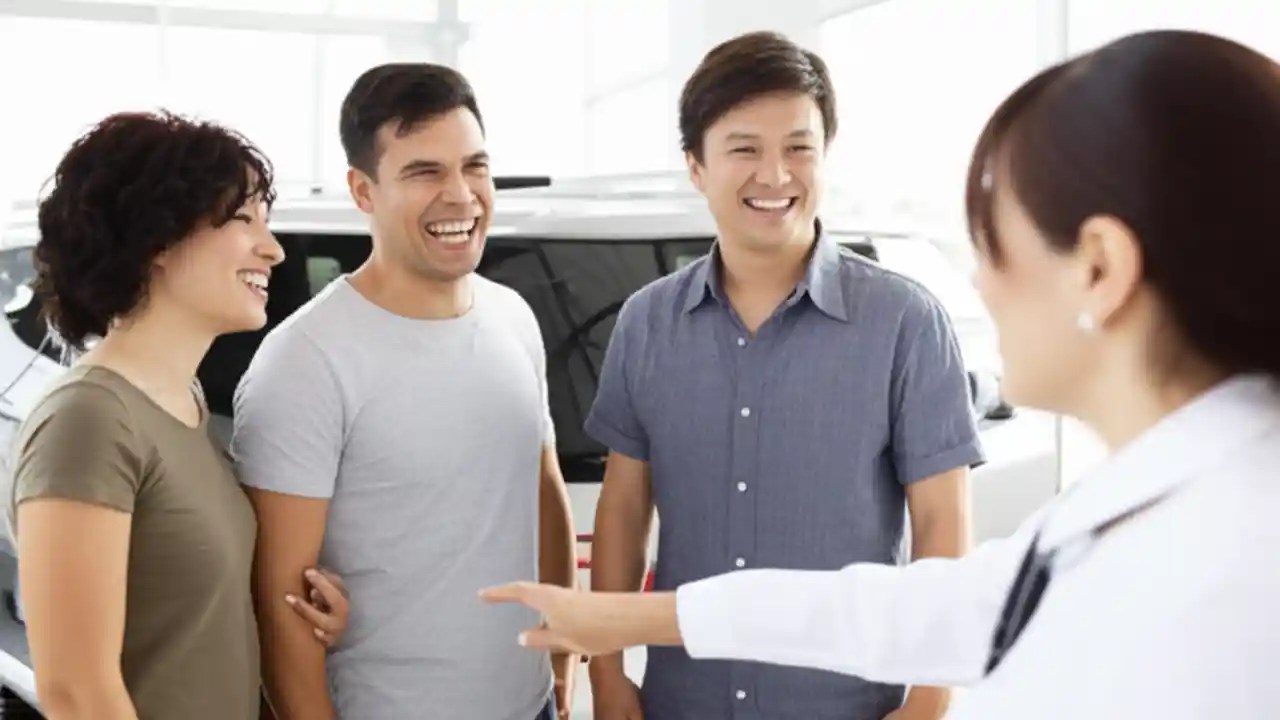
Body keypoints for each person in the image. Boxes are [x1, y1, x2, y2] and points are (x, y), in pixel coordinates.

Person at [483, 28, 1280, 719]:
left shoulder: (1227, 557)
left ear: (1101, 265)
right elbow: (883, 609)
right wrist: (616, 639)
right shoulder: (1127, 522)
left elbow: (921, 582)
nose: (981, 282)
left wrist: (923, 700)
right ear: (697, 165)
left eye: (994, 238)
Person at [581, 31, 982, 720]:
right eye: (744, 149)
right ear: (697, 167)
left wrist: (930, 699)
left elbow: (942, 524)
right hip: (685, 703)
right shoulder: (647, 323)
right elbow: (622, 511)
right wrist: (609, 676)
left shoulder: (904, 322)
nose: (775, 175)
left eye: (799, 148)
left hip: (848, 704)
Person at [232, 63, 578, 720]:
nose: (462, 195)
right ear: (363, 191)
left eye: (474, 166)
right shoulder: (305, 360)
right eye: (425, 173)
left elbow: (544, 492)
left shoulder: (514, 318)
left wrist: (563, 660)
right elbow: (277, 611)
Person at [3, 110, 348, 720]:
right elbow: (77, 694)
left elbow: (186, 619)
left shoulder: (183, 402)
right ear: (156, 238)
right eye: (243, 220)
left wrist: (304, 614)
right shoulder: (88, 420)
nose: (271, 250)